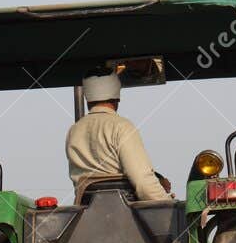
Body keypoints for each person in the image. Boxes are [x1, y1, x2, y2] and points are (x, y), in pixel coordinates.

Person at [65, 73, 169, 203]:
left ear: (87, 98)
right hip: (124, 210)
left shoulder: (74, 130)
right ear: (117, 98)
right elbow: (143, 182)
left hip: (85, 209)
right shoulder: (122, 126)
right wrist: (168, 202)